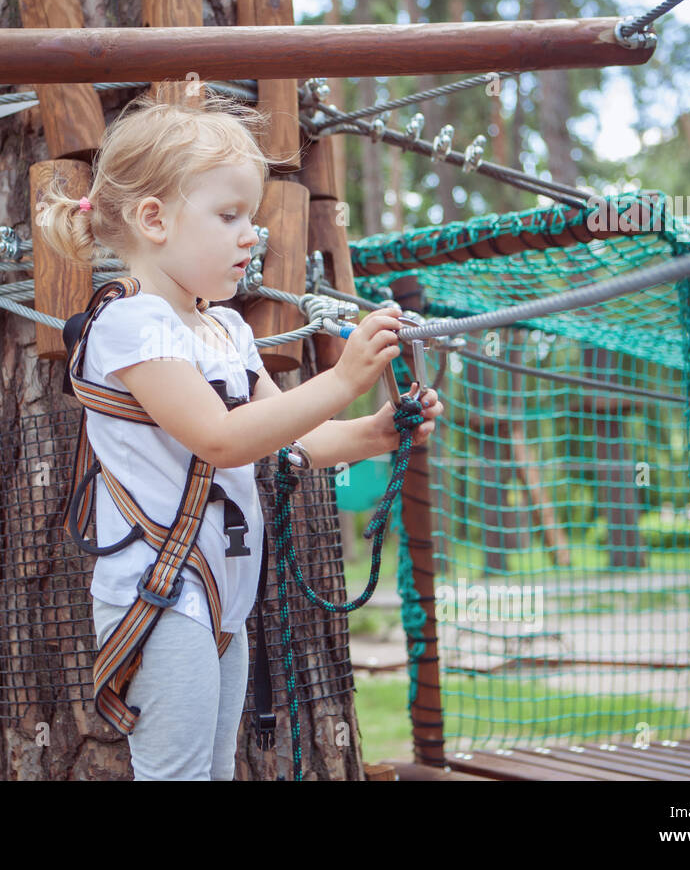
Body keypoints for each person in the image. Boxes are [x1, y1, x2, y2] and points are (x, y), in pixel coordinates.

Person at [37, 92, 445, 780]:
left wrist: (372, 433)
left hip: (220, 594)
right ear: (154, 219)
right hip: (159, 592)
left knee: (215, 773)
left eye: (250, 217)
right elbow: (221, 440)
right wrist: (343, 379)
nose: (250, 234)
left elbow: (283, 440)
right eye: (228, 216)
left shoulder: (227, 330)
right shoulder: (130, 325)